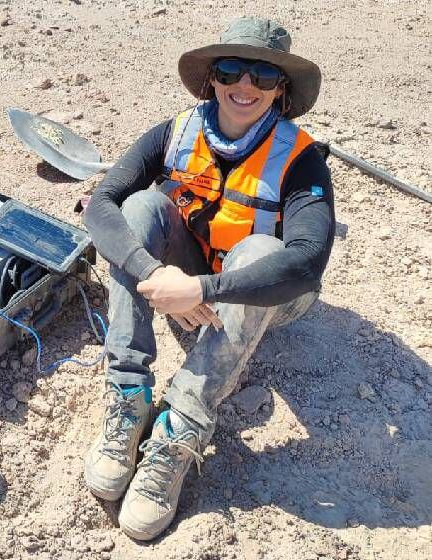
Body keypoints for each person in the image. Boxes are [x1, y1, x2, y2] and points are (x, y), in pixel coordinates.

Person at [82, 16, 335, 541]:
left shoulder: (302, 158)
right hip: (191, 270)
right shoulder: (175, 132)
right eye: (231, 69)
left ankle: (181, 424)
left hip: (267, 294)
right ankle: (129, 394)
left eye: (264, 76)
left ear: (281, 90)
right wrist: (157, 274)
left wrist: (199, 291)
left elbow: (307, 261)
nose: (245, 85)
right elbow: (101, 204)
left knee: (260, 248)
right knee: (141, 207)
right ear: (212, 78)